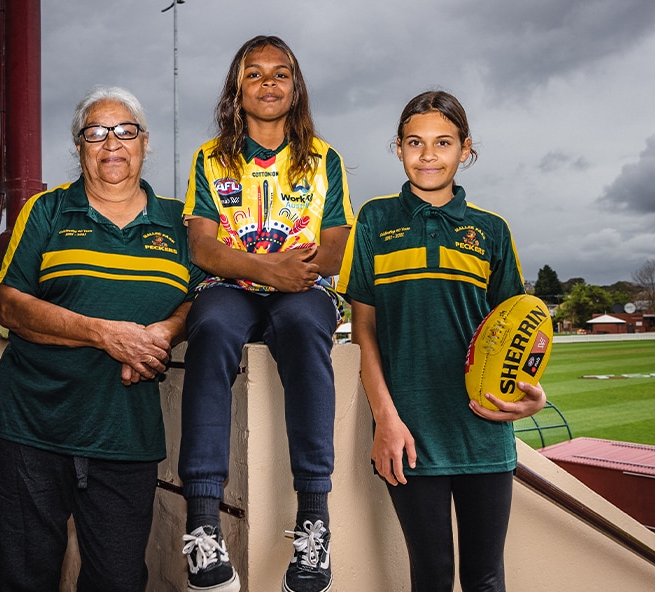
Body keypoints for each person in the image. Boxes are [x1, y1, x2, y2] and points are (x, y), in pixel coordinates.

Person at [0, 86, 204, 592]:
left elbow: (200, 298)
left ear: (145, 143)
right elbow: (12, 305)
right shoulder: (48, 211)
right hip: (30, 426)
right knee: (26, 578)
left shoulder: (179, 222)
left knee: (120, 580)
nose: (112, 144)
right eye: (96, 133)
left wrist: (165, 332)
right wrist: (106, 335)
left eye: (125, 132)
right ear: (79, 146)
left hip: (125, 435)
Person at [338, 90, 547, 592]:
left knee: (486, 578)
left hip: (483, 429)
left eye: (443, 142)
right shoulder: (374, 220)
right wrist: (386, 419)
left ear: (465, 150)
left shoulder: (492, 231)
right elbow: (362, 330)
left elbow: (514, 328)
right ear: (398, 148)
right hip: (408, 433)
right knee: (430, 577)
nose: (428, 154)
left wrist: (528, 394)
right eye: (415, 142)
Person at [178, 35, 353, 592]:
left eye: (281, 73)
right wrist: (261, 267)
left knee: (304, 327)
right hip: (230, 287)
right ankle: (204, 521)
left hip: (300, 287)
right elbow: (202, 248)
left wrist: (287, 273)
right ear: (237, 88)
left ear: (296, 87)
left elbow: (334, 246)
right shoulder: (211, 157)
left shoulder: (325, 158)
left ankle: (314, 519)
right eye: (255, 74)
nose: (269, 82)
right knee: (209, 327)